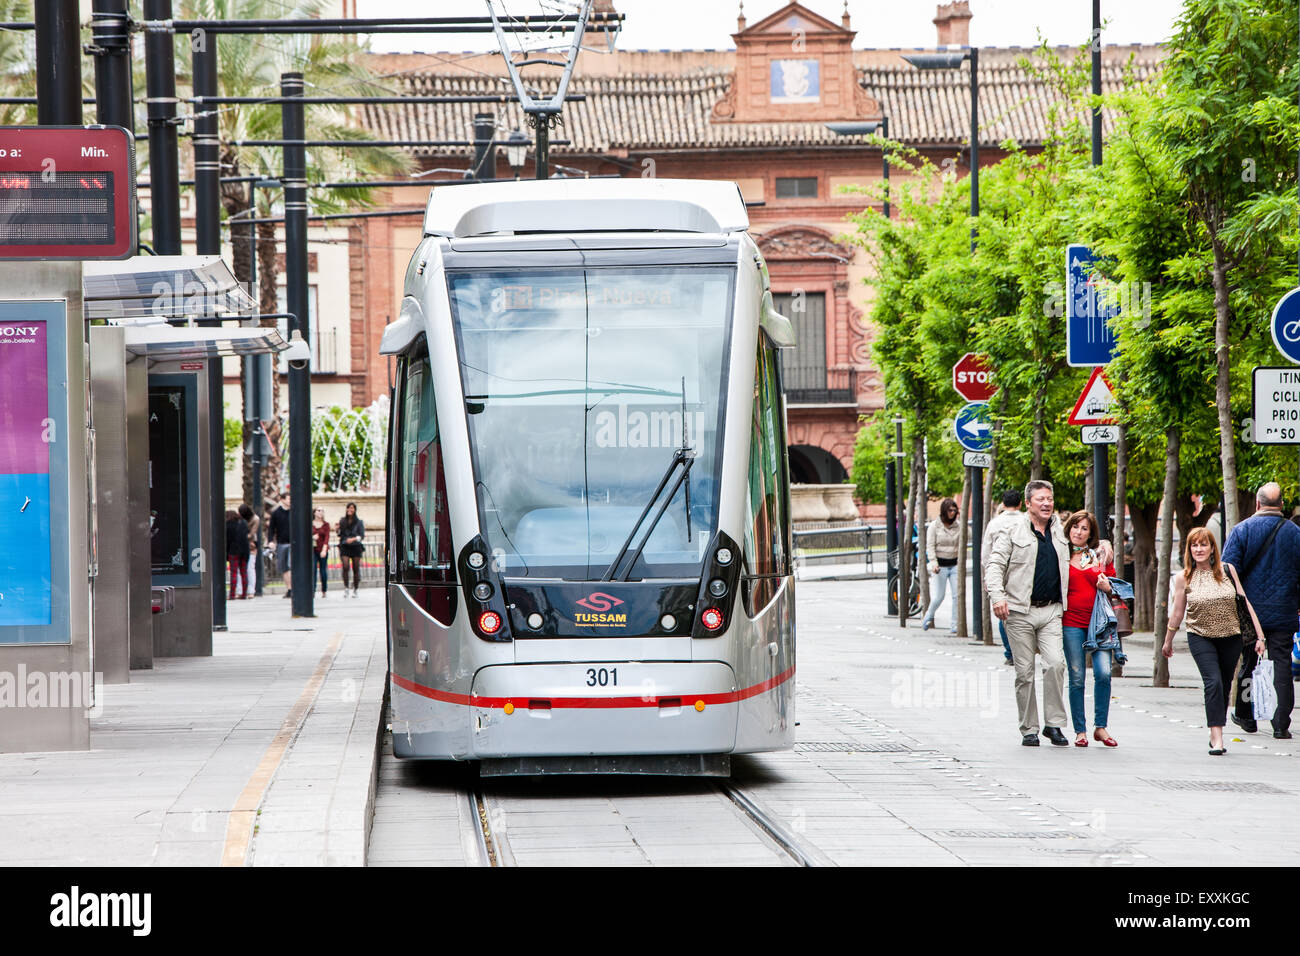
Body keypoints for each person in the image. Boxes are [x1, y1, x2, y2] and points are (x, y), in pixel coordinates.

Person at [986, 479, 1114, 747]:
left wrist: (1104, 544)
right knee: (1025, 672)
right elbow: (995, 565)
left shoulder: (1059, 530)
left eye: (1050, 499)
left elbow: (1083, 539)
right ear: (1028, 503)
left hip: (1053, 611)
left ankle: (1053, 724)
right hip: (1020, 611)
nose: (1047, 503)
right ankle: (1029, 729)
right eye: (1041, 499)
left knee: (1056, 664)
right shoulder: (1012, 530)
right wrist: (997, 597)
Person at [1164, 527, 1264, 755]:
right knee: (1213, 683)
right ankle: (1217, 736)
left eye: (1203, 544)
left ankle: (1215, 731)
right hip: (1200, 635)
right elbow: (1178, 612)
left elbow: (1244, 602)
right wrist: (1168, 641)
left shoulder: (1227, 570)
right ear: (1189, 549)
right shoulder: (1184, 577)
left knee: (1226, 684)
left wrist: (1260, 635)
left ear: (1212, 548)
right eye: (1194, 545)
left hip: (1231, 636)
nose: (1199, 549)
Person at [1221, 482, 1300, 739]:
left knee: (1248, 662)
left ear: (1257, 504)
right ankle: (1281, 723)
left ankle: (1246, 716)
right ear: (1282, 506)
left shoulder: (1241, 530)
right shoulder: (1295, 533)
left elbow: (1227, 571)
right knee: (1282, 665)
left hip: (1249, 613)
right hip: (1284, 611)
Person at [1060, 511, 1116, 747]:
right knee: (1077, 676)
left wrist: (1106, 586)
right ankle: (1080, 731)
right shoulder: (1061, 554)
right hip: (1071, 623)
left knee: (1103, 673)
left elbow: (1114, 586)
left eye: (1084, 528)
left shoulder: (1098, 556)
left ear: (1091, 533)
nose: (1078, 532)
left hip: (1098, 625)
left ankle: (1100, 727)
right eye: (1075, 527)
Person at [982, 489, 1024, 665]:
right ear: (1021, 503)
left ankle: (1010, 652)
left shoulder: (994, 523)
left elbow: (986, 554)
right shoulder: (1026, 521)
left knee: (1003, 611)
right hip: (1021, 571)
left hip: (1000, 573)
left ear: (1003, 503)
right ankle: (1021, 649)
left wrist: (988, 577)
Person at [921, 498, 961, 633]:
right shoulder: (934, 526)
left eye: (955, 510)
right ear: (944, 511)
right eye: (950, 510)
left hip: (955, 565)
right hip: (940, 566)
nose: (952, 513)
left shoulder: (959, 526)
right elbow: (930, 546)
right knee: (939, 596)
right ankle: (929, 615)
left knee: (957, 595)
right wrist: (933, 563)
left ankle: (955, 624)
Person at [267, 491, 293, 598]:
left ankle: (293, 588)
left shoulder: (294, 512)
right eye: (288, 499)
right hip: (282, 543)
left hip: (292, 543)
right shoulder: (276, 513)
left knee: (291, 566)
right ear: (282, 499)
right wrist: (271, 541)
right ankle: (289, 588)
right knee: (284, 568)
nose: (290, 501)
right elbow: (271, 528)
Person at [337, 502, 365, 598]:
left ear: (355, 510)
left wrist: (352, 539)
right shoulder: (342, 521)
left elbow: (362, 536)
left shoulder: (359, 522)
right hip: (345, 546)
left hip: (356, 546)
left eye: (352, 508)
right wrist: (337, 529)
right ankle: (346, 588)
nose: (350, 510)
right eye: (348, 508)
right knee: (345, 566)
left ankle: (355, 589)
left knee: (356, 568)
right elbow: (340, 534)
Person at [225, 509, 250, 600]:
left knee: (234, 573)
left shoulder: (228, 525)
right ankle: (244, 594)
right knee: (244, 573)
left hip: (233, 551)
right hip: (244, 551)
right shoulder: (243, 523)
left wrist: (226, 554)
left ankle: (232, 594)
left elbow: (227, 541)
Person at [240, 503, 258, 596]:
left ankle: (251, 590)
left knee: (250, 568)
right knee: (241, 568)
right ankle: (240, 590)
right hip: (242, 544)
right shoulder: (240, 519)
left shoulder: (255, 519)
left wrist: (242, 536)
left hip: (250, 544)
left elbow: (252, 533)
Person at [312, 507, 330, 598]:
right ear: (314, 512)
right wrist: (312, 537)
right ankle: (312, 590)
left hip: (322, 549)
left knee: (323, 571)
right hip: (313, 550)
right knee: (313, 570)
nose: (321, 512)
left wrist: (324, 550)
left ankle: (324, 590)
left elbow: (327, 538)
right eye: (319, 510)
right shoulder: (310, 524)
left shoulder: (326, 525)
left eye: (322, 510)